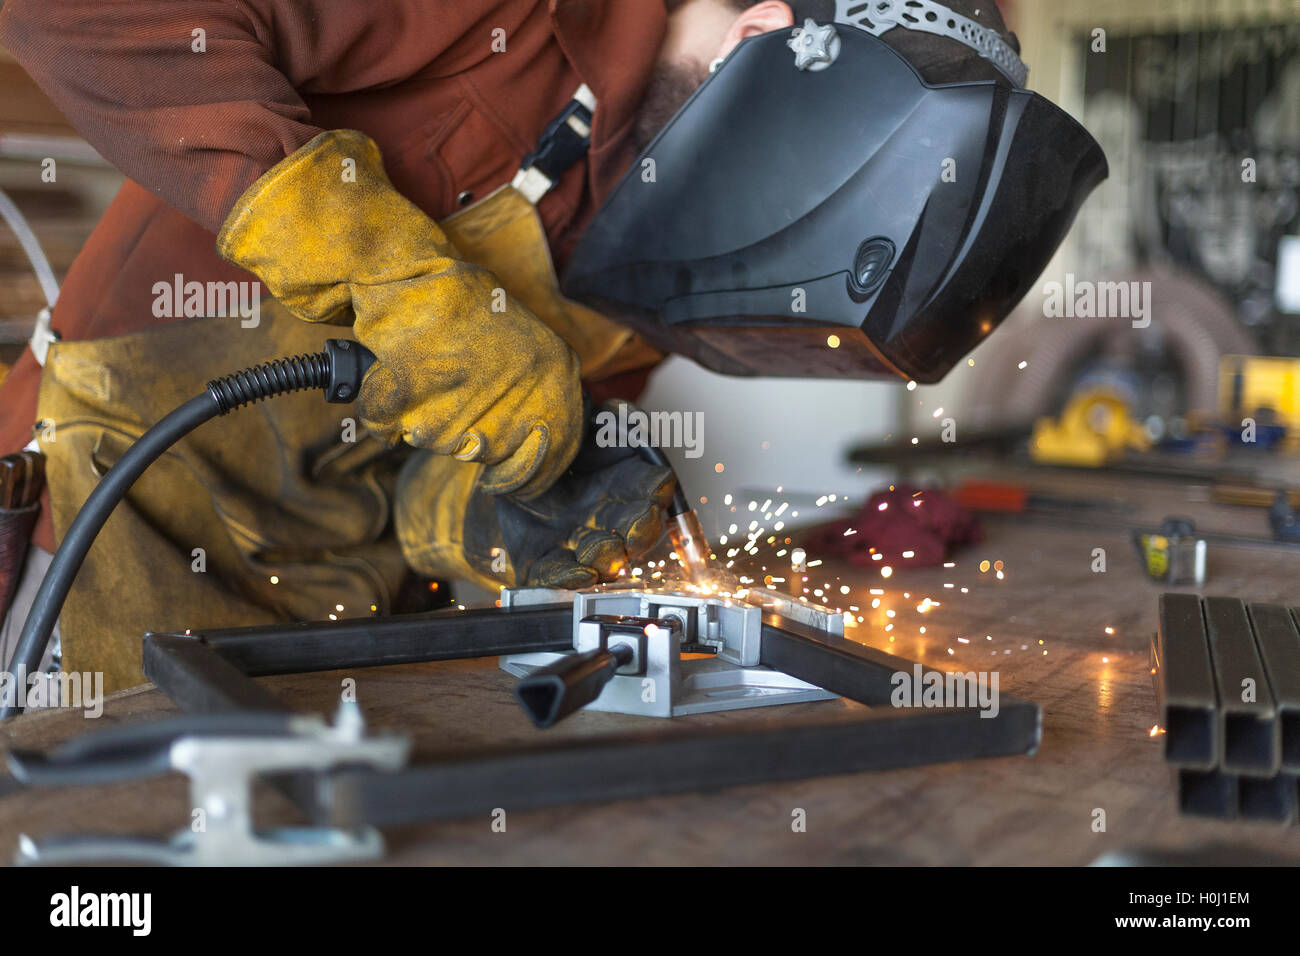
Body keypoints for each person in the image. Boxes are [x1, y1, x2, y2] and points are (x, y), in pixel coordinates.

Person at [0, 0, 1102, 692]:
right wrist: (398, 280)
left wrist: (511, 518)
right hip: (106, 533)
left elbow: (441, 472)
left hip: (336, 636)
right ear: (763, 41)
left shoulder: (656, 257)